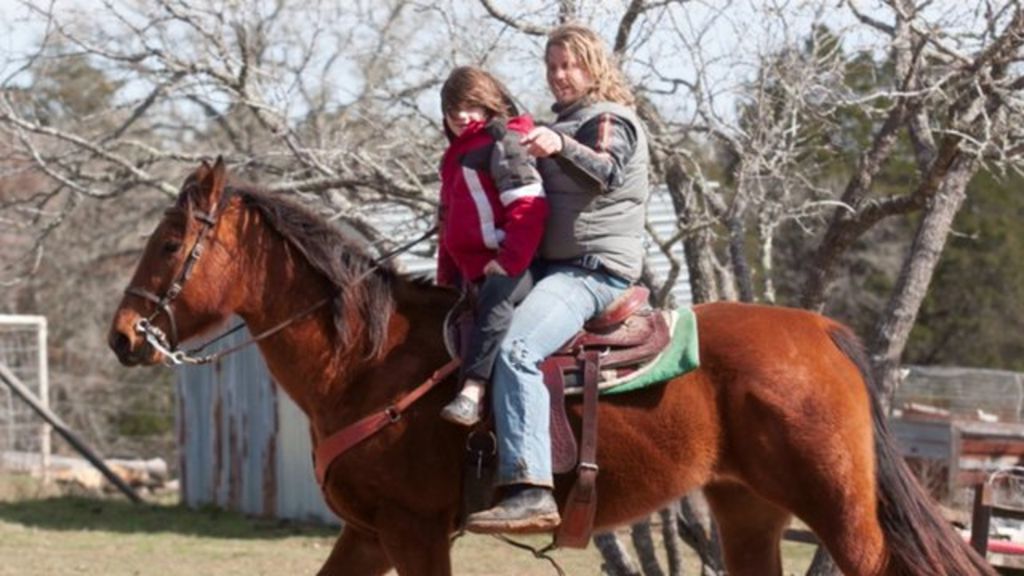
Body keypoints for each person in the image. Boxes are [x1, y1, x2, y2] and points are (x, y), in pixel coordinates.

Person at [465, 24, 650, 534]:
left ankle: (531, 488)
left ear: (594, 66)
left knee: (517, 350)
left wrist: (559, 144)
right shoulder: (564, 123)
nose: (559, 76)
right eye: (552, 67)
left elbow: (606, 171)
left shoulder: (609, 119)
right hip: (556, 268)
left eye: (569, 65)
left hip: (592, 272)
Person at [435, 66, 548, 427]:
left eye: (470, 105)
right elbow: (447, 224)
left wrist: (508, 261)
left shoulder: (504, 142)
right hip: (471, 268)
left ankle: (474, 390)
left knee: (496, 297)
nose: (460, 115)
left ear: (489, 104)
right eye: (453, 108)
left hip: (516, 264)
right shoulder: (455, 156)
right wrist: (445, 279)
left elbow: (529, 207)